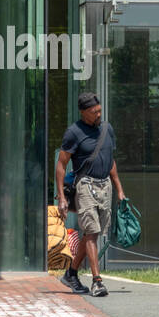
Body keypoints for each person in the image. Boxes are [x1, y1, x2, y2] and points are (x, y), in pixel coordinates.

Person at [56, 91, 126, 297]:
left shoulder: (106, 128)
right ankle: (97, 281)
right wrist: (61, 196)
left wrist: (119, 189)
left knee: (92, 234)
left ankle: (71, 273)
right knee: (92, 232)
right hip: (85, 186)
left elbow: (110, 160)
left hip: (105, 186)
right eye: (94, 112)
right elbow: (61, 165)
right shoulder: (74, 132)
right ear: (83, 112)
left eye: (99, 110)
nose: (98, 114)